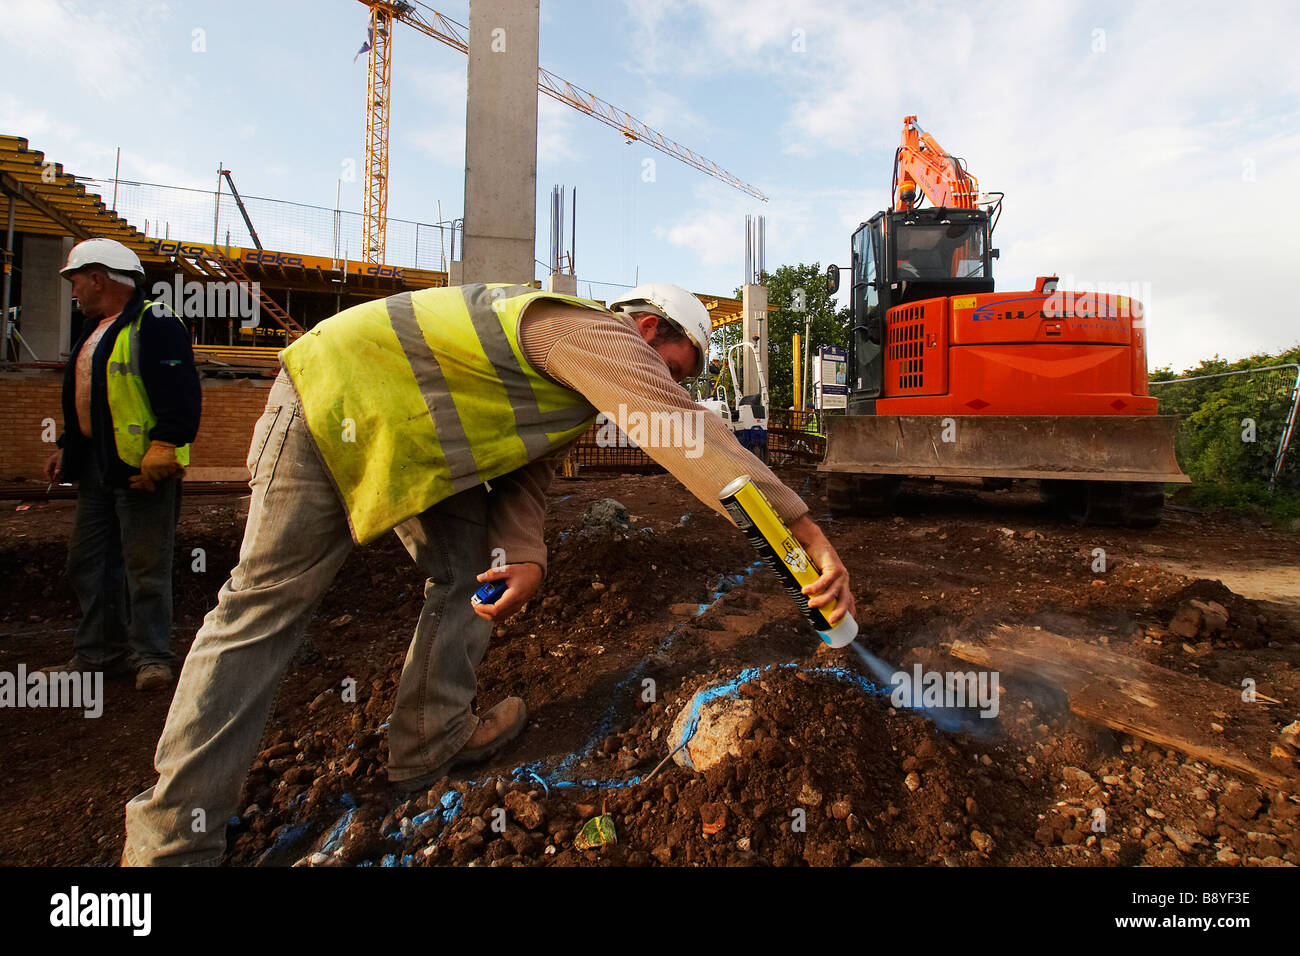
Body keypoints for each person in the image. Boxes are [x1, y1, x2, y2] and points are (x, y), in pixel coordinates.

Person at [122, 281, 854, 865]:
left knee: (471, 572)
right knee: (261, 613)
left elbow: (524, 463)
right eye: (671, 367)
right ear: (644, 330)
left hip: (407, 440)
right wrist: (805, 529)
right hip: (330, 404)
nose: (666, 384)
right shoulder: (589, 331)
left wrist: (526, 554)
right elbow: (686, 430)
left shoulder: (572, 371)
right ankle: (171, 845)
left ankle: (428, 741)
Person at [42, 238, 200, 692]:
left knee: (145, 565)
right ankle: (99, 655)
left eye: (76, 281)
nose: (73, 292)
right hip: (97, 465)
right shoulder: (94, 330)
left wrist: (167, 443)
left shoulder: (156, 321)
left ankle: (150, 657)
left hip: (140, 467)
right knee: (87, 561)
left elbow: (181, 385)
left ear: (98, 278)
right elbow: (94, 396)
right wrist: (68, 445)